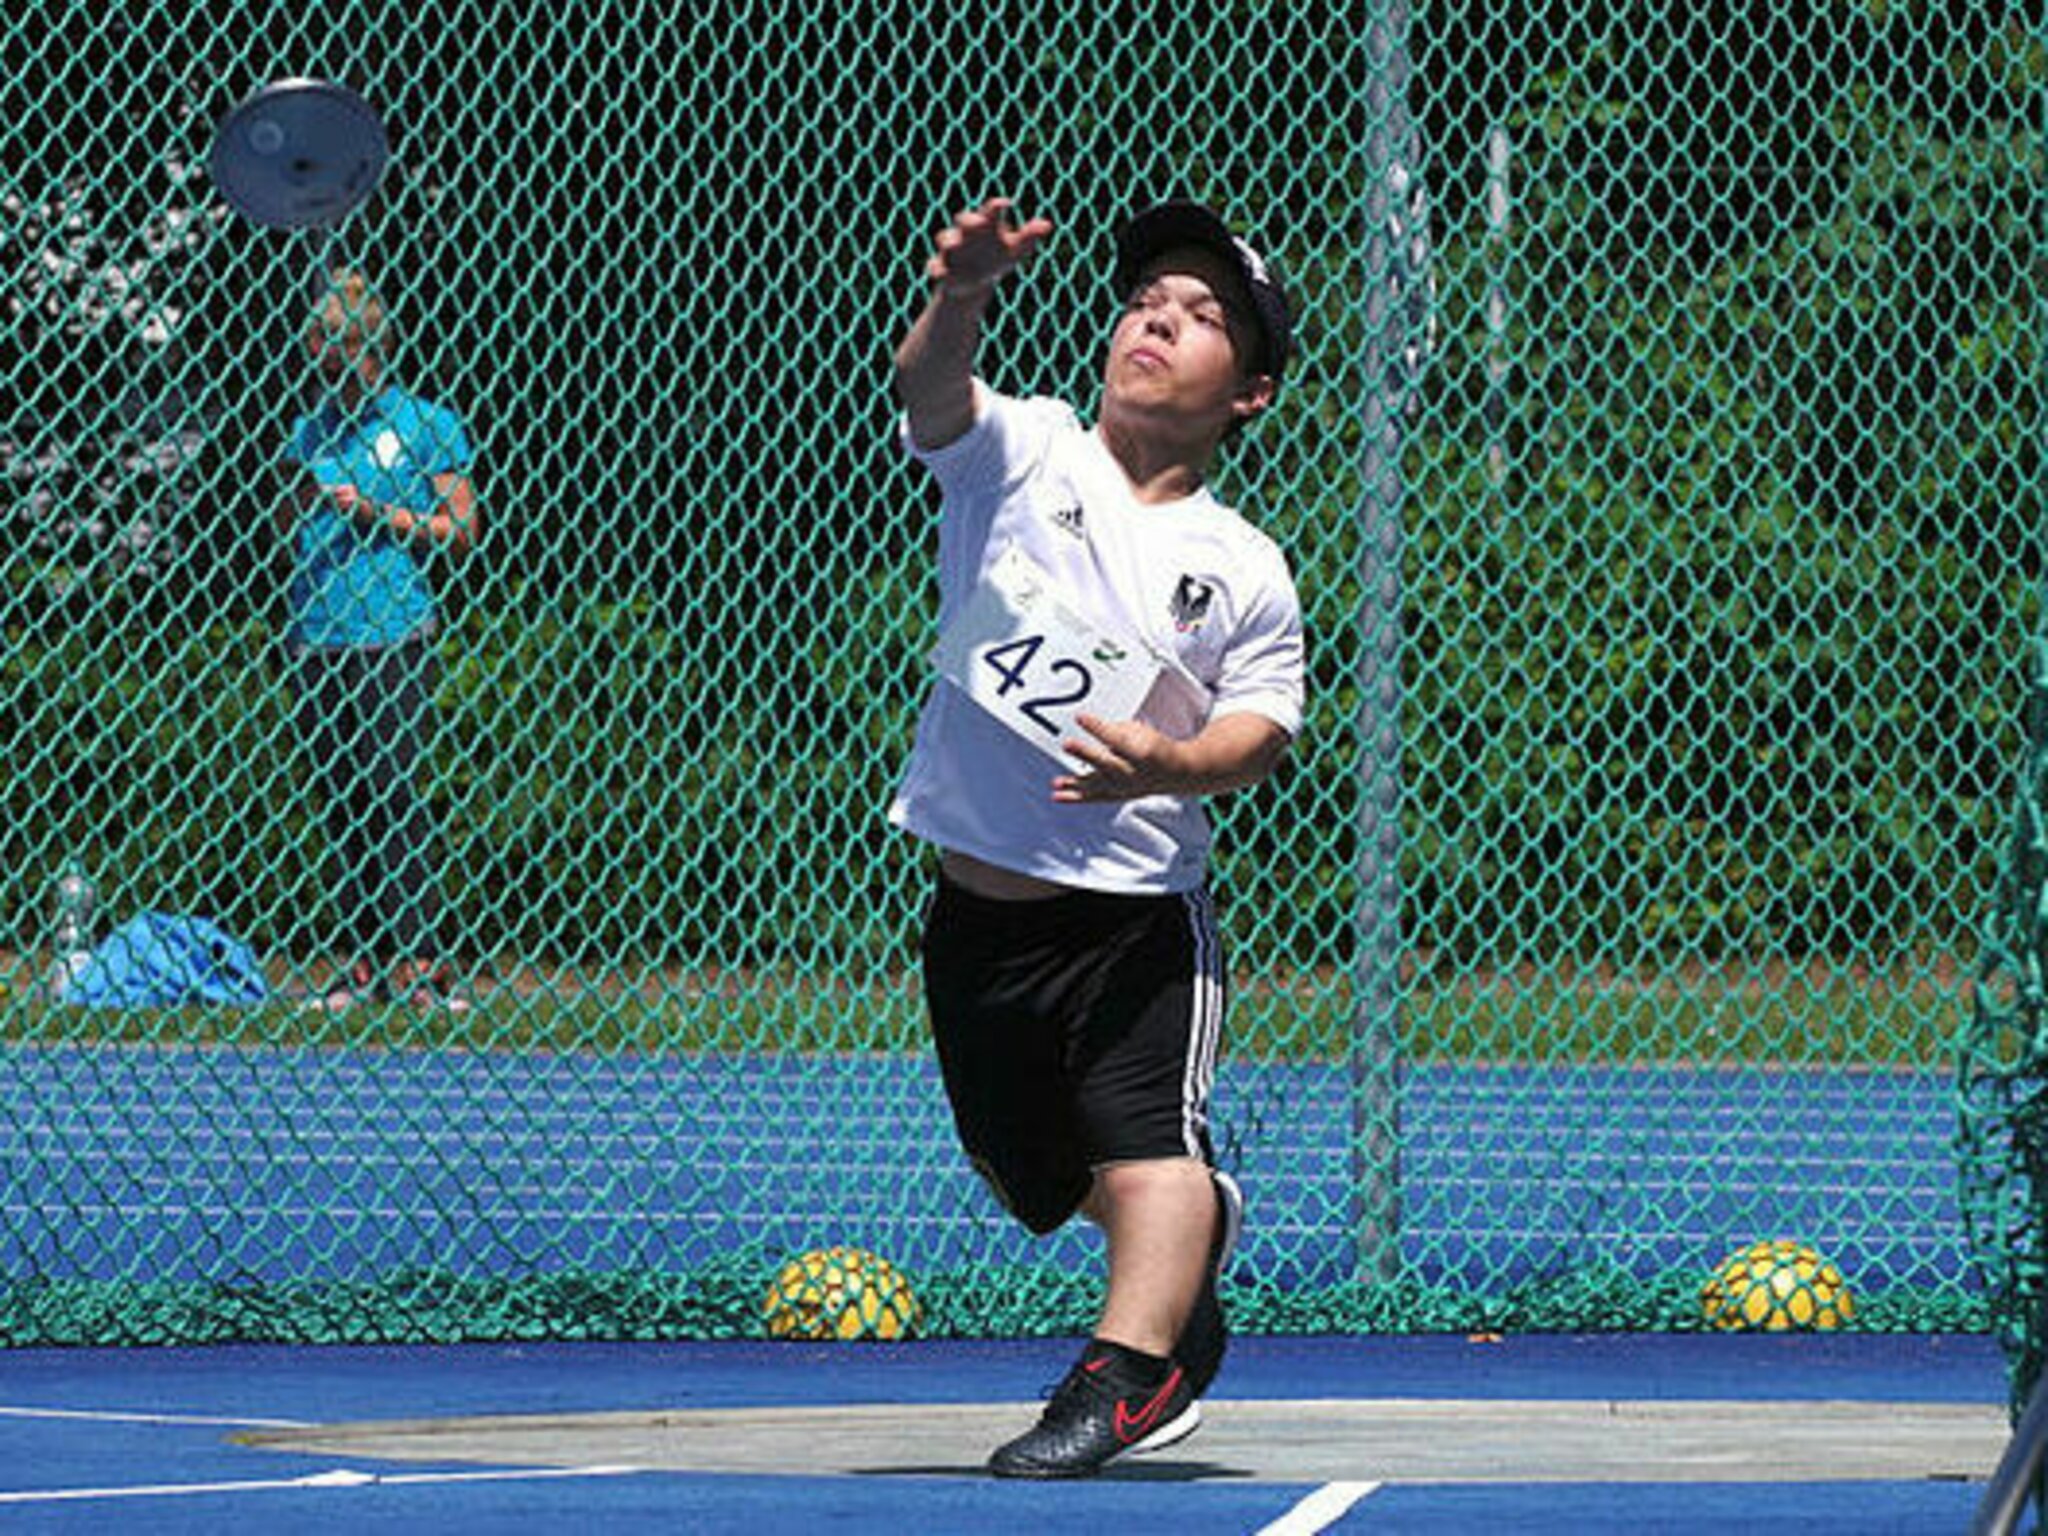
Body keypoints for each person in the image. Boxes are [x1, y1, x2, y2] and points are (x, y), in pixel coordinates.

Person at [889, 197, 1305, 1479]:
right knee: (1027, 1170)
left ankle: (1126, 1373)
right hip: (976, 914)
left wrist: (1172, 764)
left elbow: (1262, 725)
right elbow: (931, 386)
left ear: (1249, 394)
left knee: (1147, 1155)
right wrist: (959, 293)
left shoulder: (1237, 563)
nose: (1158, 323)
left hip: (1132, 923)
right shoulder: (1026, 452)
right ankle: (1176, 1259)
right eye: (1144, 304)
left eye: (1200, 320)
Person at [283, 269, 479, 1011]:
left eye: (343, 363)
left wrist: (373, 513)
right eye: (321, 367)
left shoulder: (425, 424)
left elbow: (461, 530)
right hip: (316, 629)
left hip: (392, 627)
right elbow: (282, 528)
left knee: (390, 789)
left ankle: (421, 963)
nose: (333, 380)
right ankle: (361, 959)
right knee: (340, 793)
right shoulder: (309, 430)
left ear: (373, 353)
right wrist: (295, 505)